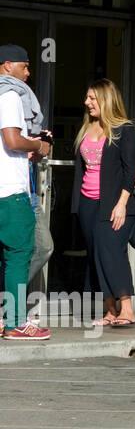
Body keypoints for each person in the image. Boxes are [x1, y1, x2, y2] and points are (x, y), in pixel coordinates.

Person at [71, 79, 135, 331]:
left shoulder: (125, 130)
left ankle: (128, 310)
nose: (87, 102)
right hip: (88, 204)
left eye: (92, 98)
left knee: (111, 252)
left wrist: (122, 204)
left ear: (106, 100)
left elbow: (129, 171)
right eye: (87, 98)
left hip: (114, 204)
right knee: (96, 255)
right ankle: (111, 311)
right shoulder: (86, 129)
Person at [0, 45, 51, 339]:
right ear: (8, 65)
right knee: (20, 254)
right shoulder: (9, 95)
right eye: (26, 66)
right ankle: (16, 322)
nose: (29, 73)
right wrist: (37, 145)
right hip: (10, 190)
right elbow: (12, 140)